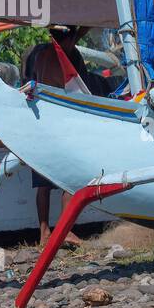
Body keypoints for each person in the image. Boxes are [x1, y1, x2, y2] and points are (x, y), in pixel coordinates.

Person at [22, 26, 97, 247]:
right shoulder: (59, 56)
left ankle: (45, 232)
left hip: (40, 123)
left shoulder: (39, 54)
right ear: (69, 38)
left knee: (44, 183)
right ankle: (65, 230)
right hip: (58, 123)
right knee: (69, 179)